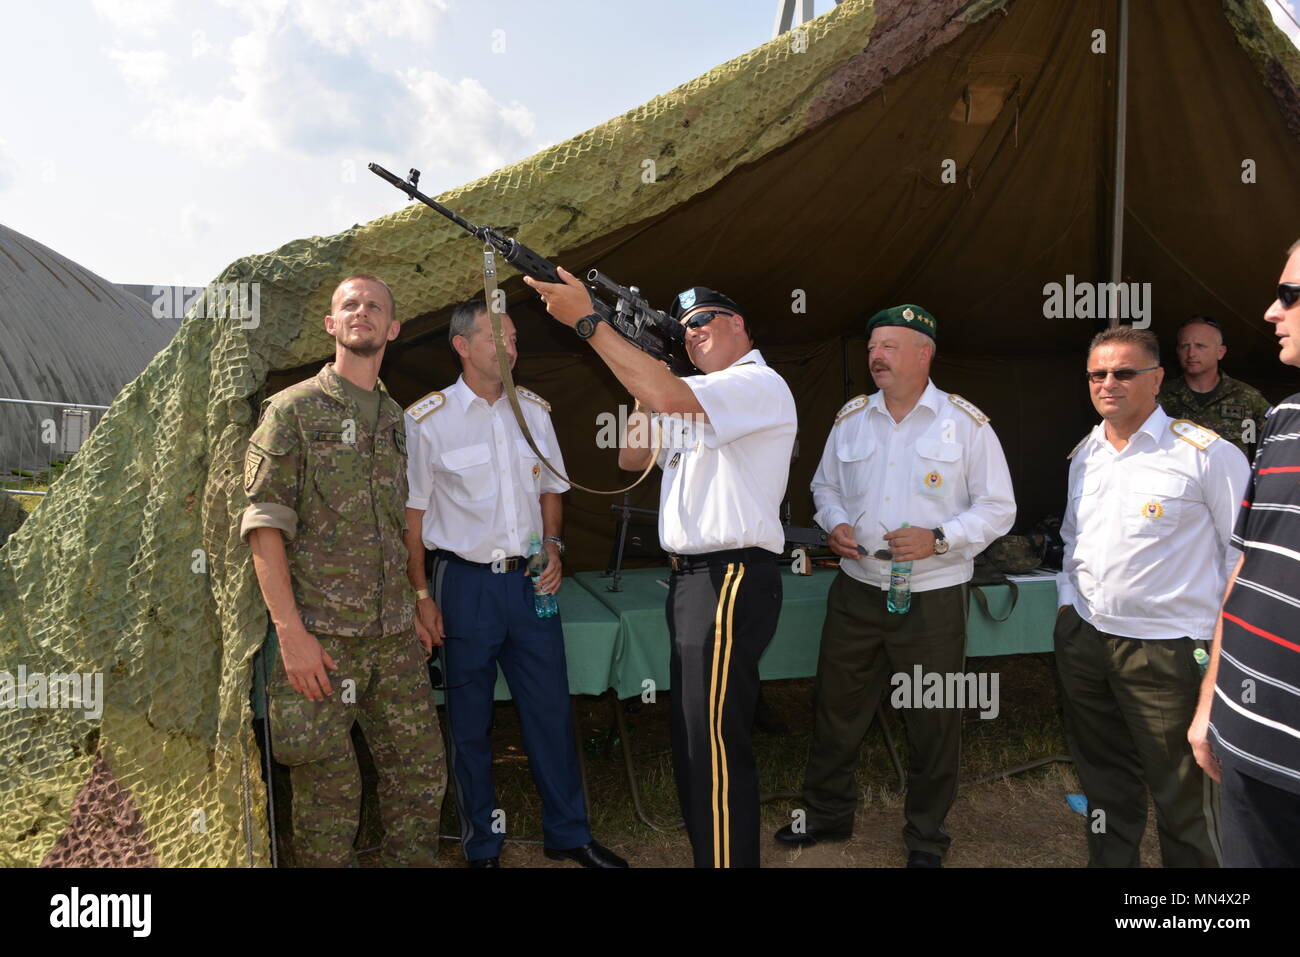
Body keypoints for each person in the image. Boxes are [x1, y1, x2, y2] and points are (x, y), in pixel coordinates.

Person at [525, 269, 796, 868]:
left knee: (713, 746)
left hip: (729, 575)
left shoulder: (755, 384)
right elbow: (632, 455)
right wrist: (643, 364)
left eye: (704, 322)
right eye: (684, 328)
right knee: (696, 738)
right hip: (695, 581)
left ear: (738, 325)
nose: (692, 333)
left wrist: (590, 324)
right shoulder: (692, 390)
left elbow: (673, 399)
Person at [777, 304, 1015, 868]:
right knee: (837, 709)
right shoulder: (851, 419)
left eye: (889, 346)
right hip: (858, 589)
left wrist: (939, 538)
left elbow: (998, 508)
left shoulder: (966, 424)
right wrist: (834, 521)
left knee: (932, 721)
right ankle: (827, 816)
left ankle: (927, 838)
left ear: (924, 353)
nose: (875, 356)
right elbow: (824, 485)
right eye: (871, 348)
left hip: (932, 597)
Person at [404, 299, 626, 869]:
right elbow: (411, 517)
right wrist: (421, 596)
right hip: (463, 585)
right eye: (496, 338)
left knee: (550, 710)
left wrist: (553, 546)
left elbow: (552, 487)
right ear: (462, 346)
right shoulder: (428, 419)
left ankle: (569, 833)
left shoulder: (533, 410)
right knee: (469, 721)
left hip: (530, 586)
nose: (510, 349)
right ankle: (482, 844)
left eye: (515, 339)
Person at [241, 274, 446, 867]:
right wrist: (292, 635)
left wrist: (418, 597)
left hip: (394, 637)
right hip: (322, 641)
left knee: (421, 775)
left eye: (374, 306)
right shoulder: (294, 410)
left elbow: (402, 525)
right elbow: (264, 528)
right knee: (329, 798)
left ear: (393, 329)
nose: (362, 313)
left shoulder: (395, 419)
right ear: (331, 325)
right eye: (349, 306)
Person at [1055, 325, 1250, 867]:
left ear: (1158, 378)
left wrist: (1221, 650)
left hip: (1167, 651)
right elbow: (1073, 539)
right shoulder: (1086, 453)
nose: (1108, 383)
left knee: (1184, 798)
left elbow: (1241, 556)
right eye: (1097, 374)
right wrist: (1067, 605)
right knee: (1104, 786)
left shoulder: (1206, 455)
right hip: (1088, 641)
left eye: (1123, 372)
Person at [1189, 239, 1300, 866]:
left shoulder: (1253, 409)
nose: (1270, 311)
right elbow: (1246, 565)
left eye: (1289, 294)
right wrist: (1212, 703)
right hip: (1247, 744)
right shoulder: (1285, 420)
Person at [1160, 315, 1272, 460]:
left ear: (1220, 352)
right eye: (1184, 346)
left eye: (1200, 346)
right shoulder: (1160, 396)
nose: (1191, 353)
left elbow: (1278, 438)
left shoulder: (1247, 397)